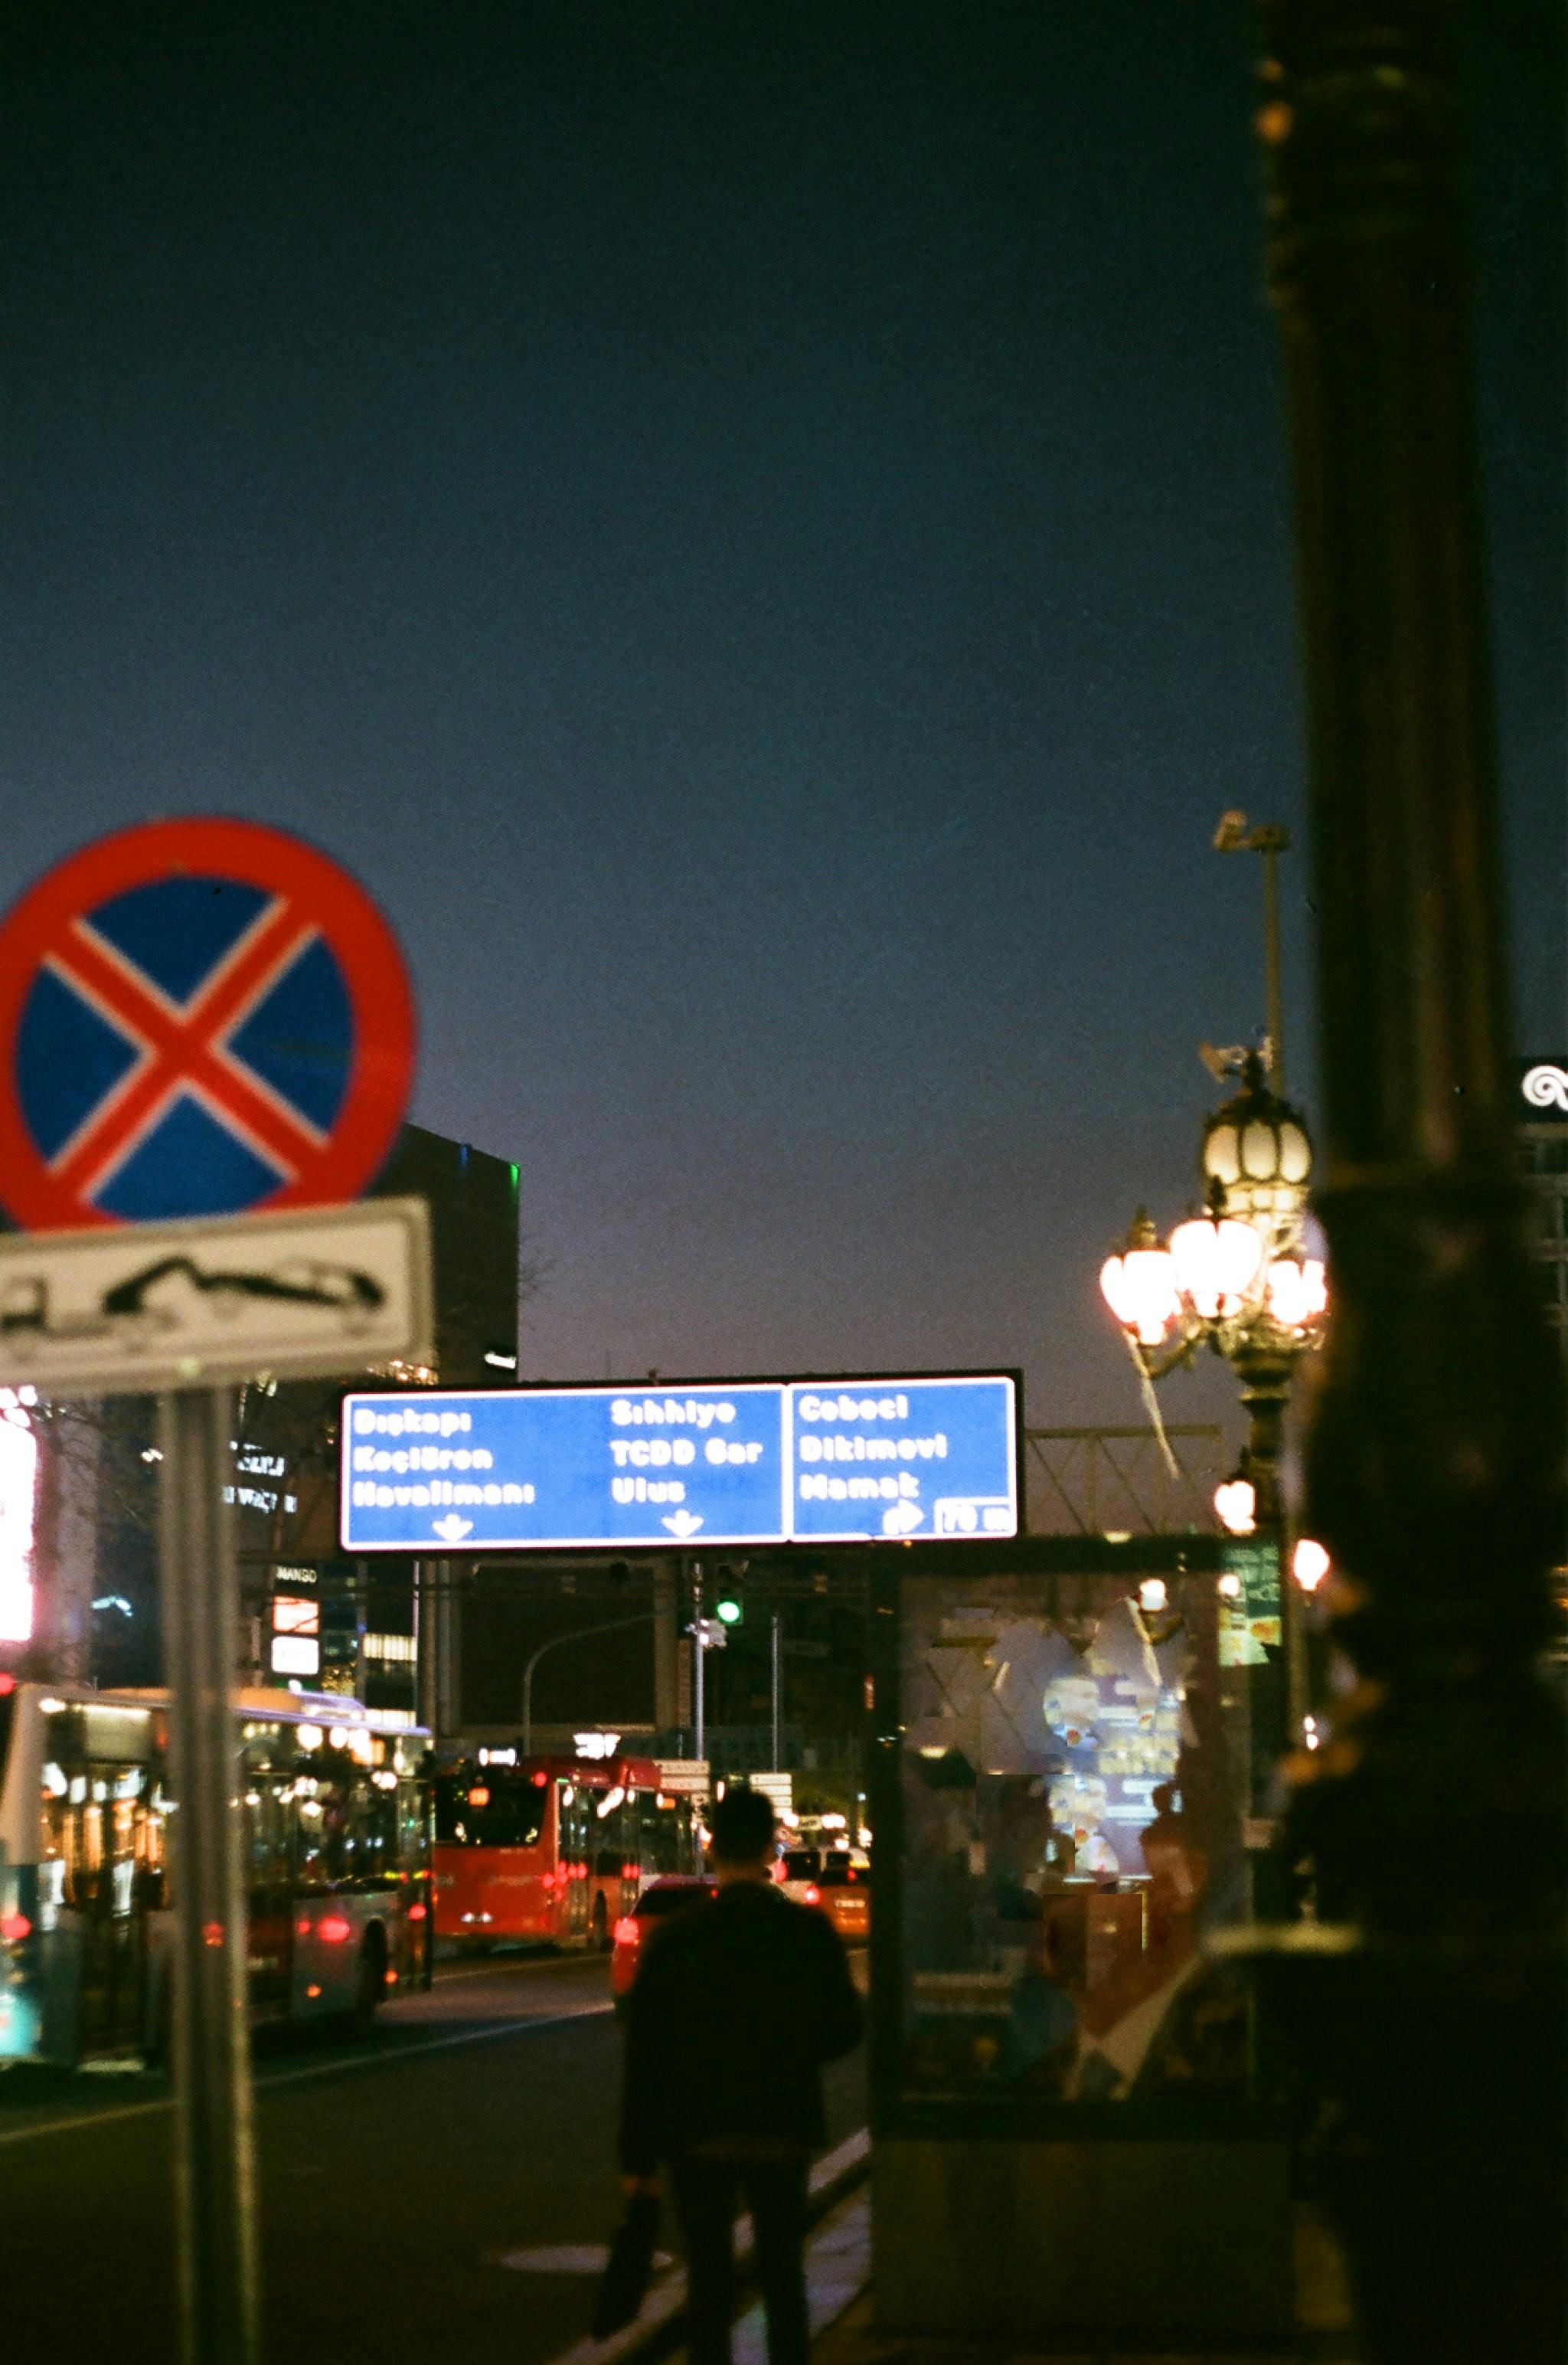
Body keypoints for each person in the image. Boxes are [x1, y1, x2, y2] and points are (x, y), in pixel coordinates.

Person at [619, 1784, 864, 2365]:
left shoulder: (680, 1939)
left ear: (712, 1851)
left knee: (709, 2284)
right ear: (769, 1850)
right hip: (782, 2127)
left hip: (697, 2134)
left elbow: (647, 2055)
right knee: (783, 2277)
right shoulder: (805, 1934)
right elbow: (846, 2029)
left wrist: (638, 2159)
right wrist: (789, 2049)